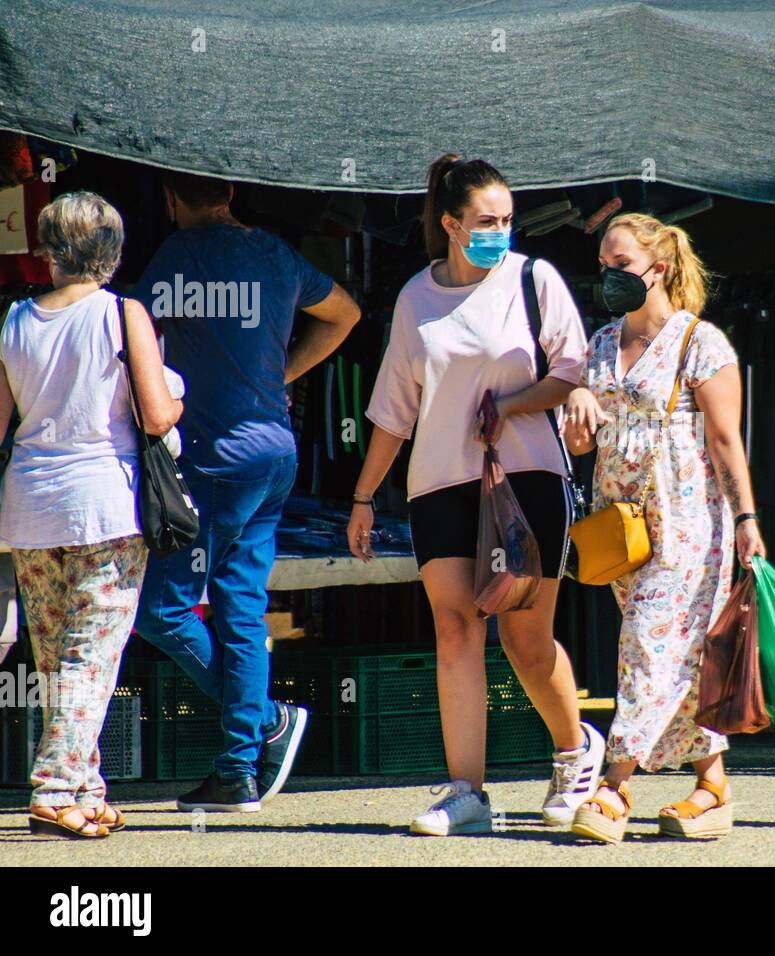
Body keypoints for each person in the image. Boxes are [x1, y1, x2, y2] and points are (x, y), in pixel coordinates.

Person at [347, 154, 602, 837]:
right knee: (455, 628)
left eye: (508, 220)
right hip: (438, 482)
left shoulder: (532, 279)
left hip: (528, 478)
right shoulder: (414, 298)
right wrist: (364, 497)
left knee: (525, 638)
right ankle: (467, 791)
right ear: (452, 223)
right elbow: (394, 409)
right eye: (487, 221)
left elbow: (573, 371)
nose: (500, 232)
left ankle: (575, 752)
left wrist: (513, 404)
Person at [132, 171, 361, 812]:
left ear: (171, 201)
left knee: (165, 611)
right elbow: (346, 313)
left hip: (212, 464)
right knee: (240, 609)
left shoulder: (178, 256)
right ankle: (237, 772)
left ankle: (263, 725)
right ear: (230, 195)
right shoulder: (273, 253)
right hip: (274, 455)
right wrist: (283, 370)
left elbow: (129, 331)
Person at [562, 213, 765, 844]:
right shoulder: (599, 344)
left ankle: (612, 787)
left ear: (660, 267)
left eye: (621, 266)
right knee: (675, 654)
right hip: (622, 528)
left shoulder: (701, 343)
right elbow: (588, 437)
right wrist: (578, 423)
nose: (609, 277)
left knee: (649, 649)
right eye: (603, 267)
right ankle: (712, 786)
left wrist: (747, 519)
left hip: (686, 525)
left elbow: (727, 441)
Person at [2, 192, 181, 837]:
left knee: (56, 661)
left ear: (47, 252)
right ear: (113, 253)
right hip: (104, 504)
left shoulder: (13, 320)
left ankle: (87, 786)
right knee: (91, 658)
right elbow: (157, 414)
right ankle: (53, 788)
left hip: (28, 508)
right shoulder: (122, 312)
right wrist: (179, 401)